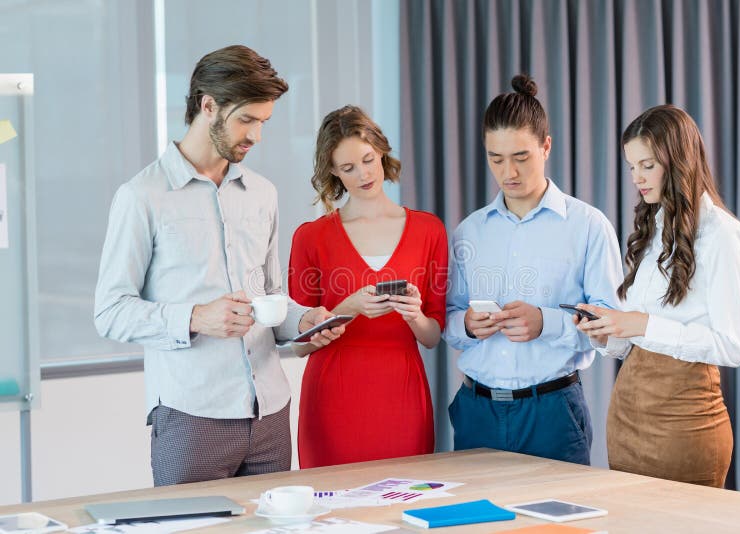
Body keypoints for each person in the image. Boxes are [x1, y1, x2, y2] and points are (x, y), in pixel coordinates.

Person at [94, 45, 343, 486]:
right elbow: (110, 311)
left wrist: (305, 319)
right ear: (208, 106)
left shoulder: (262, 193)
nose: (257, 135)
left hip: (269, 414)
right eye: (247, 119)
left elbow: (270, 296)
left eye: (263, 122)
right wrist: (195, 317)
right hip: (193, 416)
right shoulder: (141, 197)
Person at [443, 74, 624, 465]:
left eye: (521, 157)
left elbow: (614, 331)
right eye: (496, 158)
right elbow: (448, 319)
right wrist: (470, 326)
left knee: (559, 527)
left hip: (553, 414)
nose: (508, 171)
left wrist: (547, 322)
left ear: (546, 147)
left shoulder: (589, 227)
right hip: (477, 413)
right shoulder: (467, 232)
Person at [576, 104, 740, 487]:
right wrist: (607, 332)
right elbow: (640, 339)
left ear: (678, 160)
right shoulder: (655, 227)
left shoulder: (723, 235)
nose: (637, 178)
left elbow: (731, 346)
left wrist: (643, 323)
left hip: (685, 427)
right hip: (627, 423)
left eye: (647, 164)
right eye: (631, 166)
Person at [288, 105, 448, 468]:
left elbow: (432, 335)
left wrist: (414, 314)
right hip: (332, 402)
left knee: (405, 510)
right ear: (332, 171)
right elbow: (298, 346)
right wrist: (350, 306)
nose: (362, 174)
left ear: (381, 152)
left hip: (402, 397)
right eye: (348, 168)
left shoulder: (429, 230)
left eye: (368, 160)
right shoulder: (311, 237)